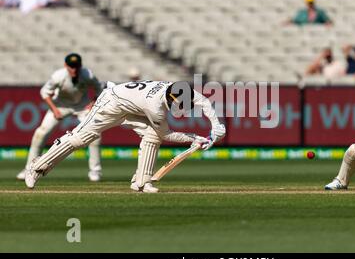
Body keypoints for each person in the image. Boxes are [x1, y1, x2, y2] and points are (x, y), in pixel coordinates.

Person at [24, 81, 226, 193]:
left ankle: (141, 182)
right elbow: (166, 134)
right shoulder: (155, 107)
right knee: (80, 139)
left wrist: (216, 126)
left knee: (151, 136)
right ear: (172, 99)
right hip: (110, 104)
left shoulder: (179, 89)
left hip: (130, 105)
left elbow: (205, 102)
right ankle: (37, 167)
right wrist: (195, 138)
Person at [16, 54, 104, 182]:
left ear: (80, 66)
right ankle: (29, 168)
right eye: (71, 67)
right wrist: (55, 110)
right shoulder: (59, 76)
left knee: (95, 135)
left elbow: (99, 88)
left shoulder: (88, 75)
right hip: (60, 106)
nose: (74, 70)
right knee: (40, 133)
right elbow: (44, 93)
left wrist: (93, 103)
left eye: (76, 67)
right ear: (65, 66)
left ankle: (95, 171)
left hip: (82, 106)